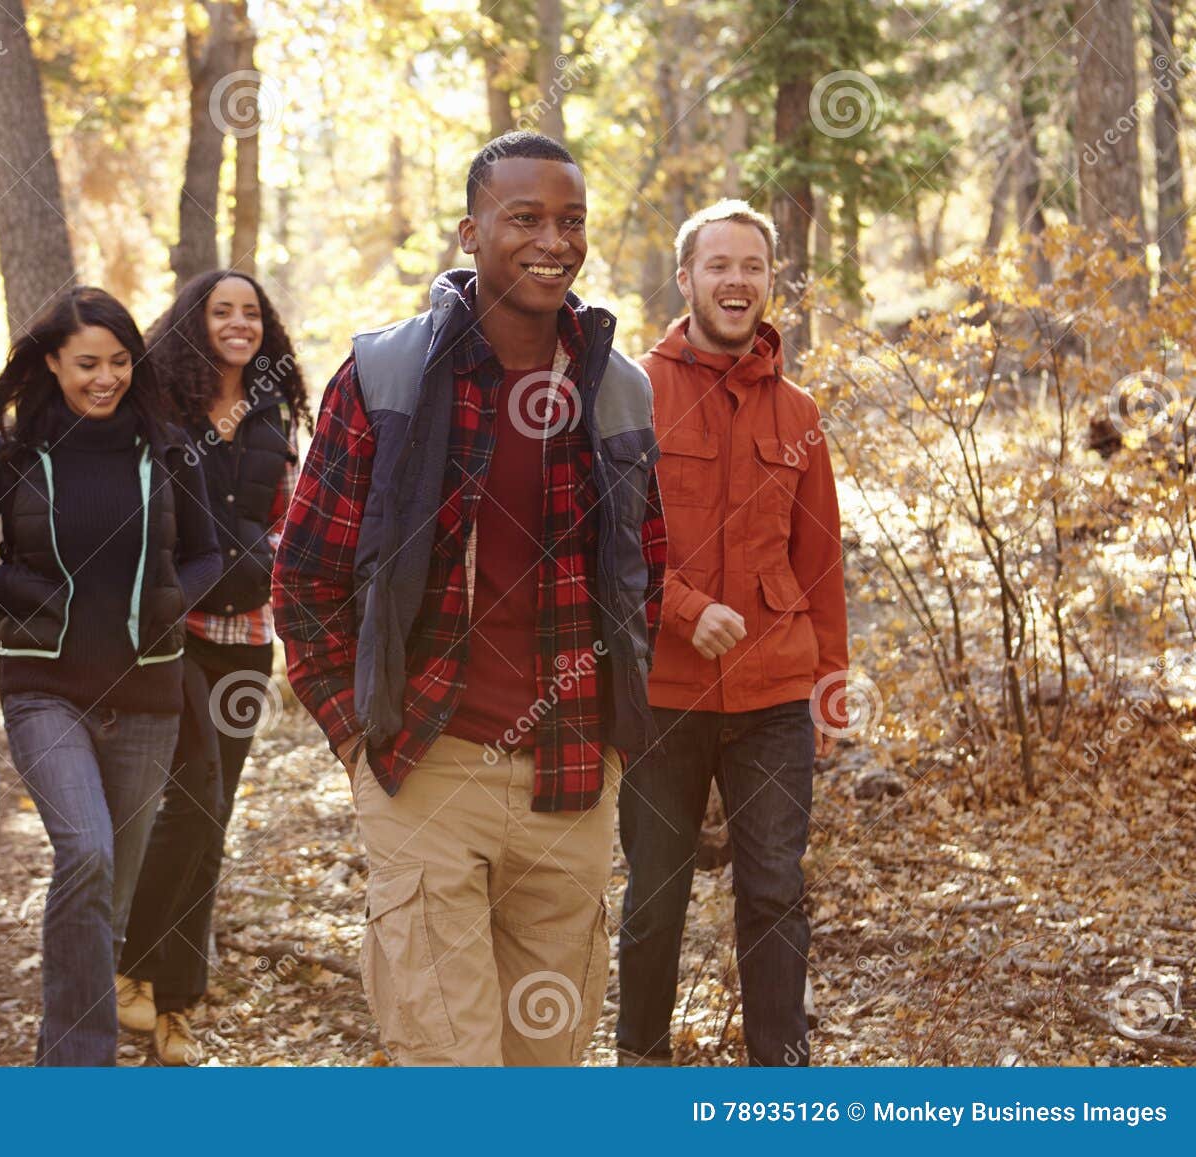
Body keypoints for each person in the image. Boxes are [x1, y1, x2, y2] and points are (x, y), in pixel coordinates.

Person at [273, 131, 668, 1066]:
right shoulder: (386, 376)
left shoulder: (618, 390)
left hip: (570, 780)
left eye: (571, 221)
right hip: (425, 764)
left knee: (547, 1069)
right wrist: (355, 738)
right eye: (524, 217)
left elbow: (643, 572)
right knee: (449, 1067)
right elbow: (306, 576)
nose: (553, 239)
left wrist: (614, 741)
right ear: (470, 231)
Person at [0, 286, 221, 1066]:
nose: (104, 378)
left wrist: (175, 600)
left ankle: (62, 1056)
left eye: (117, 362)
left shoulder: (167, 448)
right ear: (50, 363)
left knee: (110, 891)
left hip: (148, 693)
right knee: (88, 854)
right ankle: (82, 1068)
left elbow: (210, 552)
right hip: (46, 688)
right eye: (85, 365)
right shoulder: (10, 454)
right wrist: (11, 588)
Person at [616, 199, 849, 1067]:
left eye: (752, 266)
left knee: (775, 892)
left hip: (776, 696)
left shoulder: (798, 411)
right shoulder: (633, 390)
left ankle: (778, 1085)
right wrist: (683, 609)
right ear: (686, 280)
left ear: (769, 281)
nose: (737, 281)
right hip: (663, 695)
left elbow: (821, 565)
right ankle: (640, 1068)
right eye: (719, 265)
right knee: (653, 897)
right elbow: (609, 546)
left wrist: (830, 690)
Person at [115, 270, 307, 1065]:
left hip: (245, 634)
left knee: (212, 816)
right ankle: (127, 961)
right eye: (222, 310)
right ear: (193, 323)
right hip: (174, 633)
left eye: (251, 312)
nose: (239, 323)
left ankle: (175, 1006)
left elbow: (288, 517)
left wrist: (266, 562)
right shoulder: (162, 409)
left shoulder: (273, 411)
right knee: (191, 799)